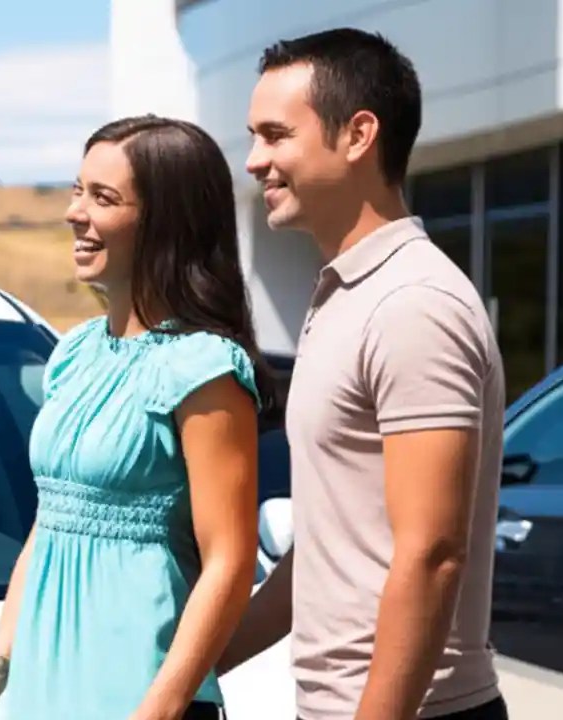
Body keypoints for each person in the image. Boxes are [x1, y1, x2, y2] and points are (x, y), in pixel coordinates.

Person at [221, 28, 508, 720]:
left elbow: (433, 553)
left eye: (275, 135)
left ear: (358, 135)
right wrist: (191, 666)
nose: (255, 160)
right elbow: (323, 554)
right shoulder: (344, 297)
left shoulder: (412, 305)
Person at [0, 115, 272, 720]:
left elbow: (229, 563)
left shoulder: (204, 368)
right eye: (78, 191)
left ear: (165, 223)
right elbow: (45, 535)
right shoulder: (73, 354)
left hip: (139, 701)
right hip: (43, 696)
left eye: (103, 198)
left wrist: (158, 709)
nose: (76, 213)